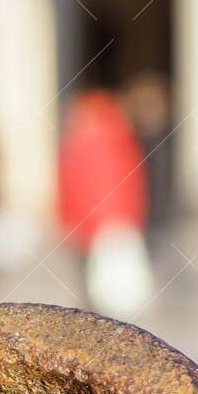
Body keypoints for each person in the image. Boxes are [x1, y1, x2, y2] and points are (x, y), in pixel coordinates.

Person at [56, 88, 152, 317]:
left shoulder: (87, 144)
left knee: (97, 284)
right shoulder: (120, 141)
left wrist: (67, 217)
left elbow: (75, 185)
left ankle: (94, 322)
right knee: (99, 283)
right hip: (107, 223)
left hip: (97, 225)